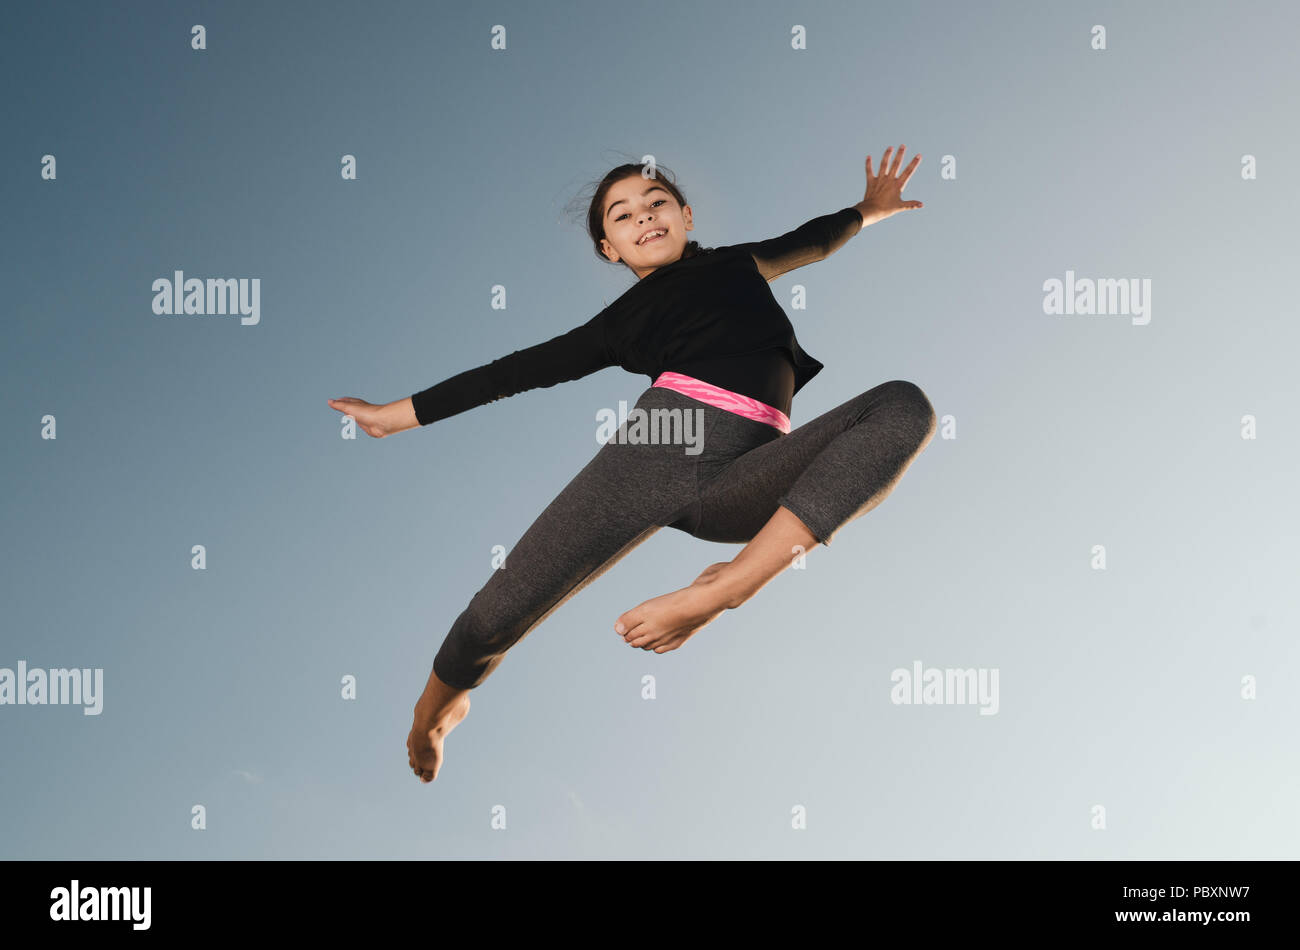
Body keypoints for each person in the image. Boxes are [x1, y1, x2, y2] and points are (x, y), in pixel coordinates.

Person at [329, 146, 935, 784]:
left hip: (748, 477)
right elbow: (512, 373)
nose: (644, 217)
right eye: (622, 217)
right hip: (660, 449)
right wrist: (394, 415)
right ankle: (432, 714)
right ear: (609, 248)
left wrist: (869, 210)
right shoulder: (620, 323)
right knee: (497, 614)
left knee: (903, 407)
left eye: (656, 204)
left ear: (686, 215)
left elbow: (812, 240)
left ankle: (728, 585)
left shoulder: (737, 265)